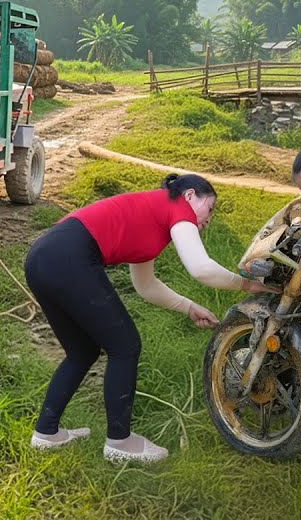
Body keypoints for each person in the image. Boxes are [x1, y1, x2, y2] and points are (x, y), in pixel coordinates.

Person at [25, 173, 277, 463]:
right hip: (68, 256)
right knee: (125, 346)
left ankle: (46, 433)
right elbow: (201, 268)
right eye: (210, 208)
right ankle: (119, 442)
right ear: (190, 196)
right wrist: (246, 284)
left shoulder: (153, 216)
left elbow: (145, 285)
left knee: (82, 352)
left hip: (42, 258)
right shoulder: (178, 209)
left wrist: (188, 307)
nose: (209, 219)